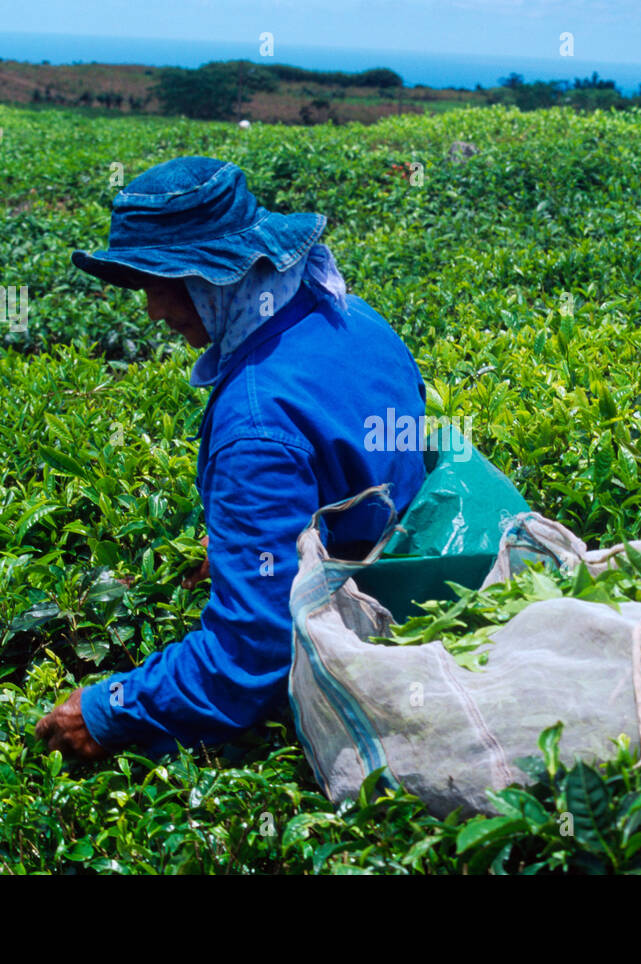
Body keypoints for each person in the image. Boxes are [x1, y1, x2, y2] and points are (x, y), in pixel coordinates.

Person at [35, 156, 427, 761]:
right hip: (413, 574)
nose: (154, 312)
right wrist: (258, 551)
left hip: (371, 634)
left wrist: (107, 709)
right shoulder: (348, 314)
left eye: (161, 284)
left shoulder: (257, 422)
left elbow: (250, 657)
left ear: (215, 276)